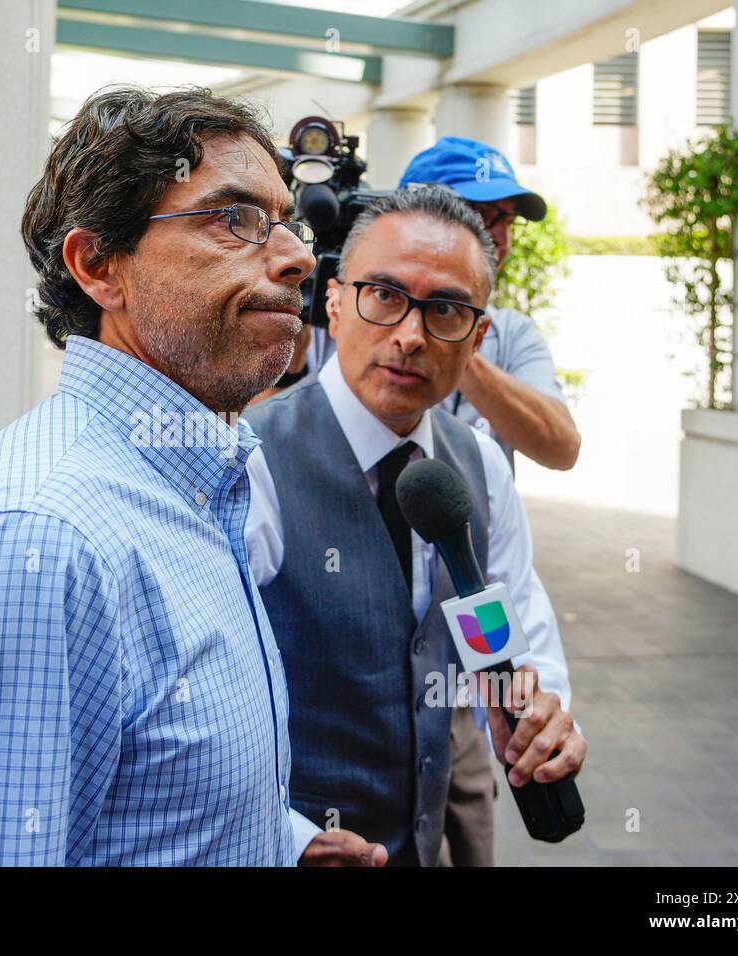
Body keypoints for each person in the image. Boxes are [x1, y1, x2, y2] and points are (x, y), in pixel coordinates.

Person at [0, 86, 386, 867]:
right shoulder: (35, 539)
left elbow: (146, 797)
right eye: (233, 218)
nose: (297, 255)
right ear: (99, 266)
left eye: (286, 221)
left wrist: (278, 843)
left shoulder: (194, 485)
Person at [244, 186, 586, 866]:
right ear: (335, 303)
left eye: (447, 310)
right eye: (385, 295)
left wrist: (541, 714)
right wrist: (288, 838)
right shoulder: (252, 463)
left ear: (479, 338)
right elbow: (205, 704)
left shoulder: (479, 464)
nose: (410, 334)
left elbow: (507, 619)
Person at [400, 137, 581, 472]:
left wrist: (455, 339)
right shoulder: (348, 312)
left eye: (508, 222)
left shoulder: (513, 331)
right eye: (483, 215)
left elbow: (562, 449)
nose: (502, 239)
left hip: (481, 523)